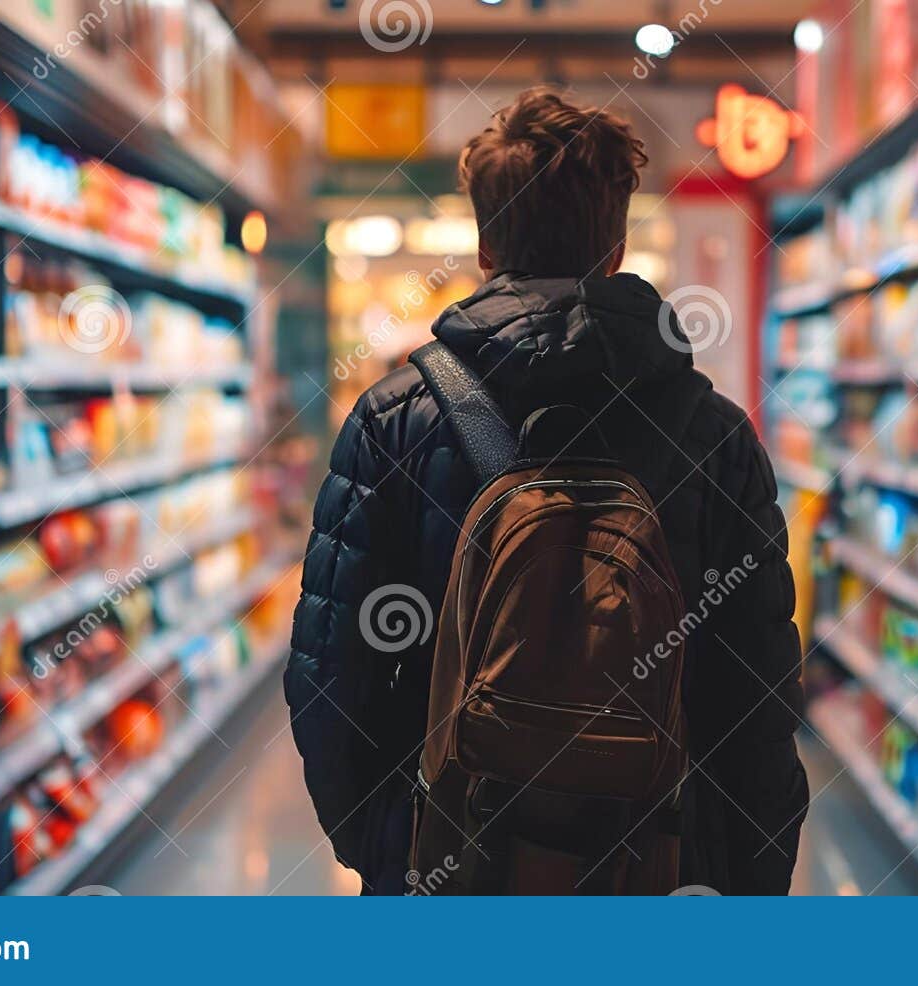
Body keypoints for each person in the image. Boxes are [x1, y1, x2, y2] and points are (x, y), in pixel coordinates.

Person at [285, 86, 809, 895]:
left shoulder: (395, 421)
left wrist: (393, 847)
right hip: (657, 866)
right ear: (618, 246)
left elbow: (331, 673)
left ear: (486, 245)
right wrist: (737, 874)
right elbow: (759, 692)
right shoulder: (714, 436)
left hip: (450, 861)